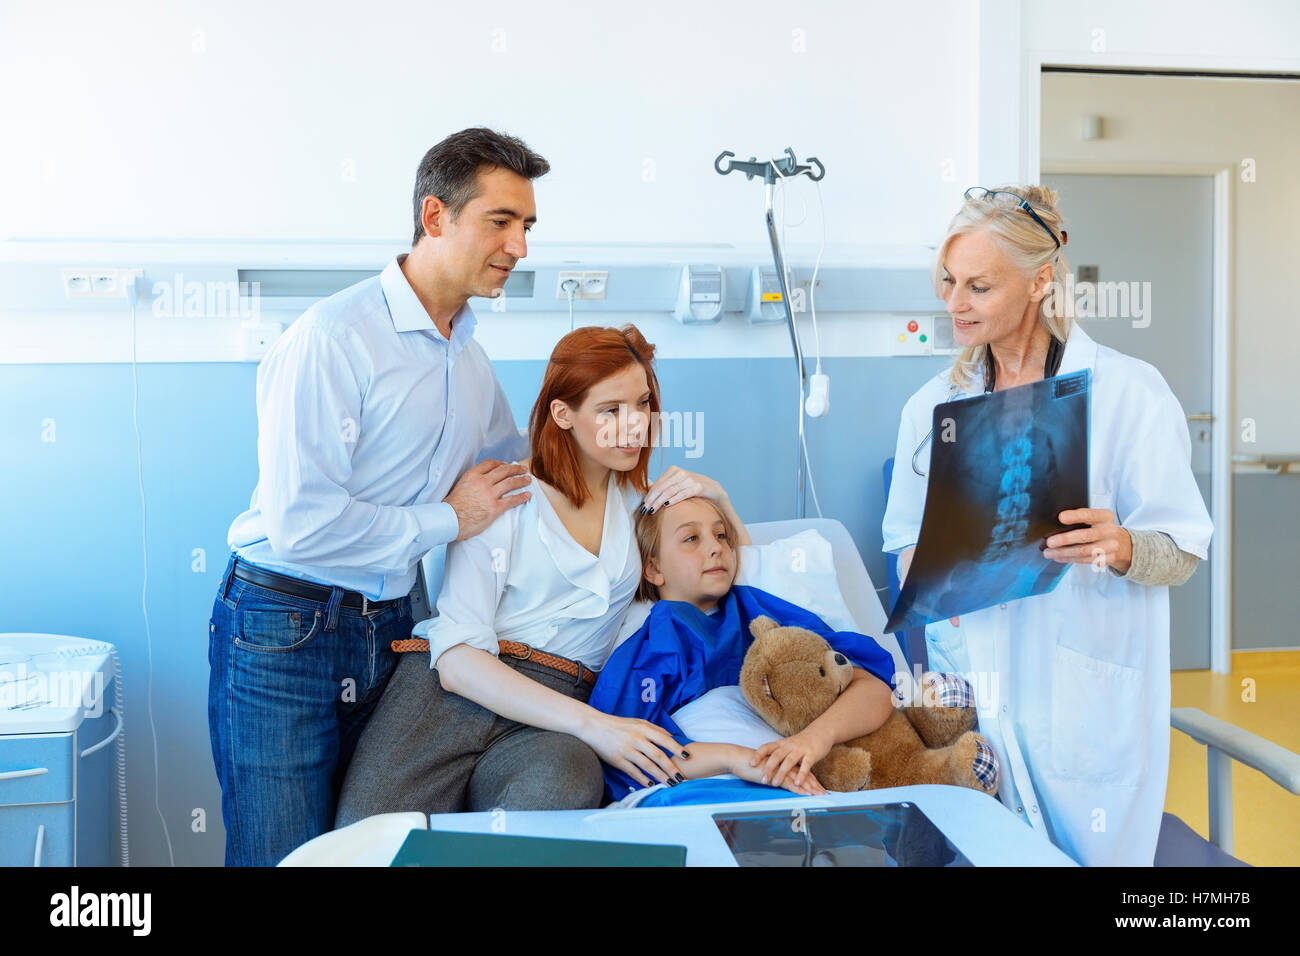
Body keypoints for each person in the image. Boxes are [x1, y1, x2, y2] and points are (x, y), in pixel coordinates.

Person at [208, 128, 547, 866]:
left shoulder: (470, 357)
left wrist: (652, 485)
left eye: (526, 227)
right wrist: (450, 519)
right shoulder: (333, 339)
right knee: (286, 858)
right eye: (501, 222)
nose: (520, 247)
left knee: (366, 851)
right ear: (435, 217)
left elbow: (523, 471)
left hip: (392, 628)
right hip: (285, 625)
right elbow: (303, 527)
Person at [882, 185, 1213, 867]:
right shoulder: (932, 408)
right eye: (948, 282)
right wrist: (937, 562)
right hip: (969, 686)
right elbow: (902, 544)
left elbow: (1182, 550)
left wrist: (1121, 547)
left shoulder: (1129, 394)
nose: (954, 304)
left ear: (1039, 282)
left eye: (979, 286)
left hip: (1086, 700)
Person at [334, 325, 749, 822]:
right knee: (367, 844)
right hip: (448, 701)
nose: (635, 425)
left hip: (556, 719)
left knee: (561, 787)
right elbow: (458, 659)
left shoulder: (648, 509)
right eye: (611, 410)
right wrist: (596, 726)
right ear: (563, 414)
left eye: (642, 404)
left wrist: (718, 497)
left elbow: (732, 574)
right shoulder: (505, 494)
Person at [588, 495, 942, 804]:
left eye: (721, 535)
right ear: (653, 568)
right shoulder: (646, 652)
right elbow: (634, 759)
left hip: (813, 783)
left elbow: (875, 689)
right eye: (691, 539)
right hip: (712, 794)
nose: (715, 547)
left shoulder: (763, 613)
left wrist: (813, 740)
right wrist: (736, 758)